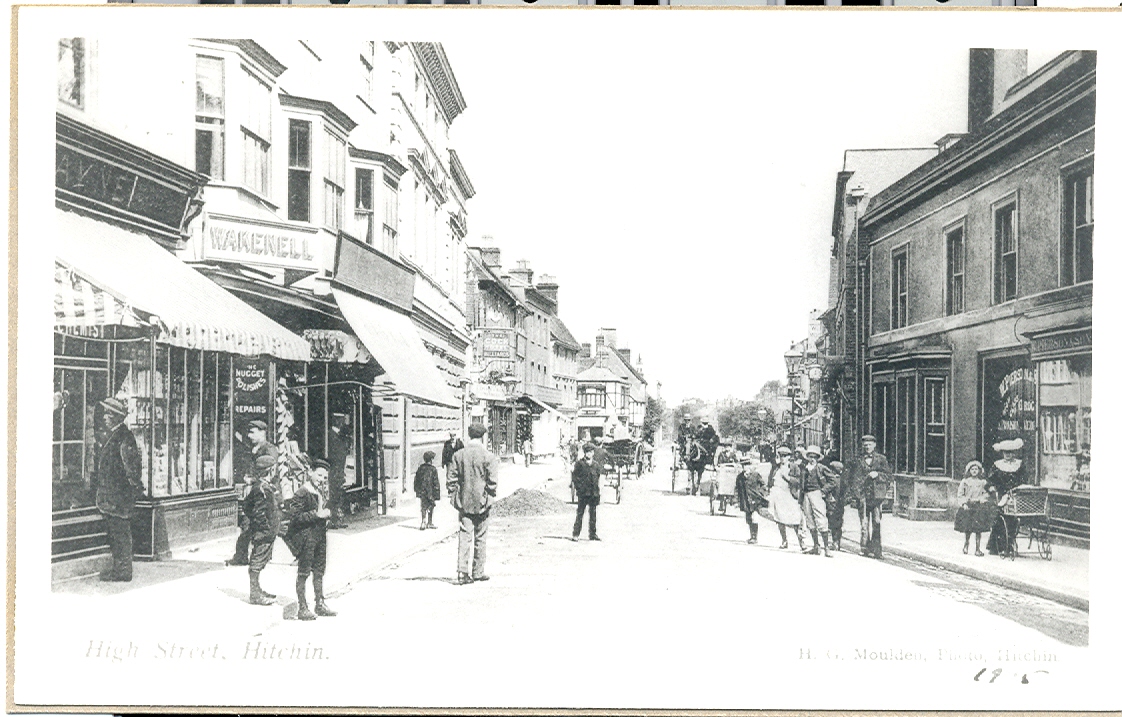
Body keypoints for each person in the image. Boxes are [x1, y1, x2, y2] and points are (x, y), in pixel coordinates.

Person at [94, 397, 144, 582]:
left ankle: (123, 571)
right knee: (116, 534)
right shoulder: (114, 435)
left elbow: (131, 469)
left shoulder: (124, 437)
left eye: (109, 414)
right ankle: (119, 569)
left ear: (116, 417)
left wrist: (130, 493)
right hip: (112, 498)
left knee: (120, 534)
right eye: (105, 413)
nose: (105, 417)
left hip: (119, 498)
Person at [447, 423, 499, 585]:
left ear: (469, 435)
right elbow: (493, 483)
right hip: (482, 503)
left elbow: (451, 480)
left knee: (464, 536)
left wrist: (456, 499)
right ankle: (478, 572)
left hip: (464, 502)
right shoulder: (489, 457)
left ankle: (462, 572)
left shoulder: (458, 455)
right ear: (482, 436)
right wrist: (488, 499)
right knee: (481, 537)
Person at [286, 458, 336, 620]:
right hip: (306, 537)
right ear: (310, 472)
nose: (321, 479)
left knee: (319, 570)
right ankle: (302, 607)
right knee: (304, 572)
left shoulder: (319, 491)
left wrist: (328, 514)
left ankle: (320, 603)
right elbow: (294, 517)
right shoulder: (302, 492)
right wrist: (316, 515)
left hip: (319, 536)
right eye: (319, 475)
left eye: (324, 477)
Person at [227, 419, 279, 566]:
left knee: (275, 527)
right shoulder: (252, 449)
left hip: (266, 493)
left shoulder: (270, 450)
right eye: (249, 432)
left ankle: (300, 553)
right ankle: (241, 556)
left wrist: (253, 480)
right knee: (247, 524)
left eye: (252, 432)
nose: (249, 436)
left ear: (262, 433)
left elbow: (271, 473)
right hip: (255, 493)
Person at [244, 454, 282, 605]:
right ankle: (255, 595)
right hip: (263, 533)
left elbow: (247, 506)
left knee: (261, 560)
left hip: (266, 532)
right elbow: (257, 512)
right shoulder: (261, 488)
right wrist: (265, 529)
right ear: (270, 470)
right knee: (257, 561)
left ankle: (257, 589)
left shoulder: (263, 486)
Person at [848, 434, 892, 559]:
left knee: (877, 522)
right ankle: (864, 548)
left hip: (877, 497)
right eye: (865, 445)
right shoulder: (857, 460)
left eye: (870, 445)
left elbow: (889, 476)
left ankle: (877, 550)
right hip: (863, 496)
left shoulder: (881, 459)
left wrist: (877, 474)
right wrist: (856, 495)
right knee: (864, 523)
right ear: (863, 446)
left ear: (874, 445)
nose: (867, 447)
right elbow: (853, 479)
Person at [985, 438, 1027, 556]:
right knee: (1002, 518)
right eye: (1006, 452)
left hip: (1017, 494)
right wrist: (991, 488)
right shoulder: (997, 465)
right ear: (1002, 453)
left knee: (1015, 519)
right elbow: (989, 481)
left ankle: (1011, 543)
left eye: (1011, 452)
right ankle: (1000, 546)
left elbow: (1024, 479)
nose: (1009, 455)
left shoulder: (1019, 464)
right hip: (1003, 494)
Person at [792, 446, 837, 557]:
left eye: (814, 457)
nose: (812, 459)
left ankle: (826, 547)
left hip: (817, 494)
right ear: (807, 457)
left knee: (821, 519)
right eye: (810, 456)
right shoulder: (804, 468)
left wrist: (823, 491)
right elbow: (801, 483)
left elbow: (833, 480)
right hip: (806, 495)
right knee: (809, 520)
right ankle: (816, 546)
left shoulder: (821, 468)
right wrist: (800, 498)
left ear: (817, 458)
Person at [766, 446, 806, 551]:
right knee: (779, 519)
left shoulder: (793, 467)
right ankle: (784, 540)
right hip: (778, 495)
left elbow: (799, 481)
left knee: (795, 518)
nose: (783, 458)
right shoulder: (776, 467)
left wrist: (788, 478)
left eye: (785, 456)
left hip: (789, 494)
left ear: (789, 457)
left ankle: (801, 542)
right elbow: (770, 480)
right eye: (781, 456)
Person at [955, 460, 995, 557]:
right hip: (968, 506)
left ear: (979, 471)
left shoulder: (982, 482)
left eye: (976, 469)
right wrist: (964, 503)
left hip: (978, 507)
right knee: (967, 527)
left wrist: (983, 498)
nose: (974, 471)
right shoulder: (965, 482)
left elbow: (986, 493)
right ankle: (966, 544)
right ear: (969, 471)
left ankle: (978, 549)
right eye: (972, 469)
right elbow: (960, 494)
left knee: (978, 528)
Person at [571, 443, 602, 542]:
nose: (589, 454)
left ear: (593, 453)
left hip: (593, 494)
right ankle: (575, 534)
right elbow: (575, 478)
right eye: (587, 452)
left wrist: (598, 491)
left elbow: (598, 477)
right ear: (585, 453)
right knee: (580, 513)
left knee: (593, 515)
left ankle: (592, 534)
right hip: (583, 493)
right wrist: (579, 488)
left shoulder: (596, 465)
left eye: (591, 452)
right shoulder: (580, 464)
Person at [735, 456, 768, 544]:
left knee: (754, 517)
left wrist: (761, 494)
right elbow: (737, 489)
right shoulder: (740, 477)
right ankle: (751, 536)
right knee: (748, 519)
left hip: (755, 500)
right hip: (746, 501)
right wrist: (736, 501)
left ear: (750, 465)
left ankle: (754, 537)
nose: (745, 467)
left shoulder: (755, 475)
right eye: (743, 465)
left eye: (746, 465)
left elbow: (763, 485)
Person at [326, 413, 351, 529]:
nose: (343, 423)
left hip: (338, 471)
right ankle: (333, 520)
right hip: (334, 471)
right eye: (341, 421)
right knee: (334, 495)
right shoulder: (331, 435)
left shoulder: (338, 436)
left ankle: (336, 520)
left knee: (337, 495)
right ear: (337, 421)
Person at [414, 450, 441, 530]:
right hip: (430, 491)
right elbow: (435, 482)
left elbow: (416, 480)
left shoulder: (420, 468)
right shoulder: (433, 469)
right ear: (431, 460)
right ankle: (429, 522)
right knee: (431, 505)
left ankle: (423, 521)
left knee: (423, 506)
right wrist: (437, 492)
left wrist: (417, 489)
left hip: (422, 490)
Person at [825, 460, 847, 551]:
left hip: (832, 504)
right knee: (838, 524)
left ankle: (835, 542)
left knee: (833, 523)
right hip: (840, 505)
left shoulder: (833, 480)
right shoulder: (842, 480)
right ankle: (837, 542)